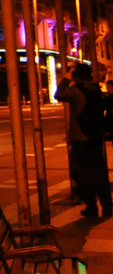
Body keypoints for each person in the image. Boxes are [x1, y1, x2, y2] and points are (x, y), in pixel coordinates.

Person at [57, 64, 112, 219]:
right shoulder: (97, 91)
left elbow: (59, 95)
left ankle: (91, 208)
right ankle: (107, 207)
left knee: (84, 174)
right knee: (100, 174)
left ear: (76, 76)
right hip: (97, 137)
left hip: (81, 138)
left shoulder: (76, 91)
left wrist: (65, 80)